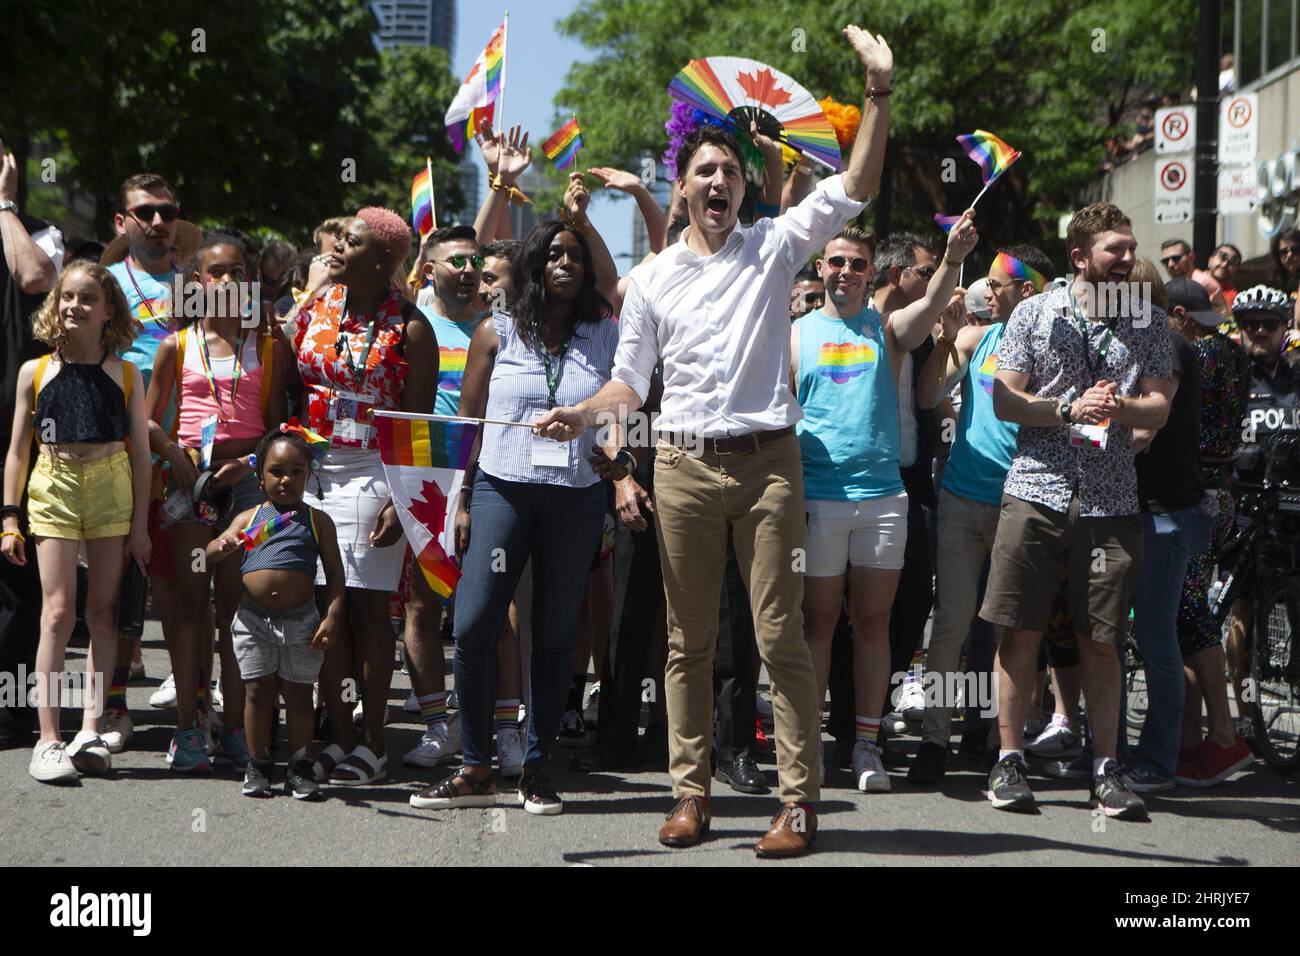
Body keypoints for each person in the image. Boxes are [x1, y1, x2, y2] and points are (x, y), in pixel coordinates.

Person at [537, 23, 896, 857]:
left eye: (731, 171)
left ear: (743, 188)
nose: (720, 182)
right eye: (706, 171)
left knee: (778, 637)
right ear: (682, 183)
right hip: (682, 467)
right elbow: (629, 383)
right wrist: (587, 413)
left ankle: (797, 807)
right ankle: (688, 797)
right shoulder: (656, 277)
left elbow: (857, 186)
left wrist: (876, 91)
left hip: (771, 466)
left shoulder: (775, 247)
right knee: (685, 640)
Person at [412, 210, 618, 817]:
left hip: (575, 495)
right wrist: (462, 498)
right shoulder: (495, 332)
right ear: (533, 264)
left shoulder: (603, 333)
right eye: (553, 254)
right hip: (502, 488)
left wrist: (620, 458)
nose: (565, 264)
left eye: (575, 257)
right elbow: (466, 426)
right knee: (474, 624)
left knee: (554, 636)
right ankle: (474, 767)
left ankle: (537, 768)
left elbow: (622, 410)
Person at [982, 201, 1174, 821]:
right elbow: (1005, 402)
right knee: (1019, 630)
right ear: (1079, 257)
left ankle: (1105, 768)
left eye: (1130, 247)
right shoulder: (1034, 313)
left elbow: (1160, 408)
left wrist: (1117, 409)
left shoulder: (1146, 322)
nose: (1126, 259)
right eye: (1115, 249)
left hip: (1112, 500)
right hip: (1036, 490)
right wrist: (1067, 410)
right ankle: (1009, 762)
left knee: (1103, 640)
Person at [795, 218, 978, 793]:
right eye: (836, 261)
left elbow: (930, 305)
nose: (845, 271)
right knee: (818, 625)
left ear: (871, 272)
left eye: (857, 264)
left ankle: (868, 746)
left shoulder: (889, 327)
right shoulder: (795, 332)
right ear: (821, 268)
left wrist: (951, 259)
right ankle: (813, 748)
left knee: (873, 625)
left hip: (880, 498)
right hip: (818, 498)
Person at [293, 207, 435, 786]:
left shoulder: (411, 325)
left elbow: (418, 424)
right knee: (326, 608)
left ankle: (374, 744)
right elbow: (288, 389)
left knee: (370, 610)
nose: (337, 248)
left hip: (376, 472)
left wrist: (400, 499)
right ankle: (340, 738)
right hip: (317, 470)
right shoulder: (315, 308)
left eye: (350, 242)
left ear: (383, 260)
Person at [909, 244, 1054, 786]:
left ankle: (1002, 743)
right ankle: (933, 739)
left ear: (1029, 291)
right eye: (988, 282)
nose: (986, 292)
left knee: (1012, 629)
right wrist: (946, 339)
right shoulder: (976, 337)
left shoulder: (1056, 347)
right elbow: (928, 397)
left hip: (1024, 502)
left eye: (997, 284)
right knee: (950, 623)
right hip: (964, 499)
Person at [143, 231, 287, 772]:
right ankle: (187, 726)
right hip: (189, 483)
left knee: (236, 609)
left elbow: (278, 428)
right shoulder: (175, 345)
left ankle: (233, 727)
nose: (227, 281)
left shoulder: (269, 347)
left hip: (247, 487)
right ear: (197, 282)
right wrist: (170, 453)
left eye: (237, 272)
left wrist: (250, 465)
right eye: (216, 272)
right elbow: (149, 417)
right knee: (187, 604)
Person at [2, 262, 151, 781]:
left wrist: (140, 528)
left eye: (88, 299)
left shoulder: (127, 373)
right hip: (54, 483)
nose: (74, 307)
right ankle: (48, 740)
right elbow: (18, 453)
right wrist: (8, 519)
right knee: (56, 613)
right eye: (67, 297)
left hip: (112, 485)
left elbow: (143, 457)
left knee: (103, 613)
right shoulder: (34, 371)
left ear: (108, 310)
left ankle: (90, 729)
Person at [206, 428, 344, 800]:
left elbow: (335, 575)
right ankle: (259, 763)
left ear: (308, 474)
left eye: (297, 472)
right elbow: (209, 553)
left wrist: (331, 617)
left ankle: (300, 767)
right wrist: (222, 545)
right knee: (257, 693)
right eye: (277, 471)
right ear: (259, 476)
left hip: (302, 621)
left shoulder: (317, 522)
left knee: (300, 696)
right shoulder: (248, 518)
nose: (286, 480)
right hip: (252, 621)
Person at [1123, 276, 1213, 791]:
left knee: (1157, 635)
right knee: (1114, 635)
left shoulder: (1168, 341)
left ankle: (1158, 761)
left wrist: (1083, 452)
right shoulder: (1131, 341)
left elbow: (1146, 427)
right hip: (1131, 505)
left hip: (1165, 510)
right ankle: (1111, 752)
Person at [1165, 279, 1253, 787]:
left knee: (1190, 612)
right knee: (1187, 614)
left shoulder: (1196, 354)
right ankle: (1192, 741)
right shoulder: (1232, 352)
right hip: (1220, 490)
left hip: (1193, 494)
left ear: (1177, 313)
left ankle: (1220, 737)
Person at [0, 139, 61, 751]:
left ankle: (12, 706)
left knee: (15, 572)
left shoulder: (37, 234)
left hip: (13, 431)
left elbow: (34, 276)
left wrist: (3, 204)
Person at [1221, 285, 1297, 759]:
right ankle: (1247, 715)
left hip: (1292, 509)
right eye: (1251, 324)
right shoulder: (1228, 376)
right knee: (1243, 614)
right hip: (1245, 509)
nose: (1261, 332)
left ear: (1285, 327)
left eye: (1270, 323)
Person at [1160, 238, 1226, 316]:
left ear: (1191, 257)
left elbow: (1220, 318)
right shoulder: (1170, 285)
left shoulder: (1205, 283)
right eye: (1165, 261)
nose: (1170, 264)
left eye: (1176, 258)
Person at [1267, 227, 1299, 298]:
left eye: (1295, 250)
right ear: (1277, 255)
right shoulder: (1270, 283)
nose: (1289, 255)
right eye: (1284, 251)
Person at [1208, 243, 1242, 311]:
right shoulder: (1192, 282)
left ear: (1235, 270)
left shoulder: (1235, 299)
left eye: (1231, 262)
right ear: (1210, 260)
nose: (1225, 265)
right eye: (1222, 257)